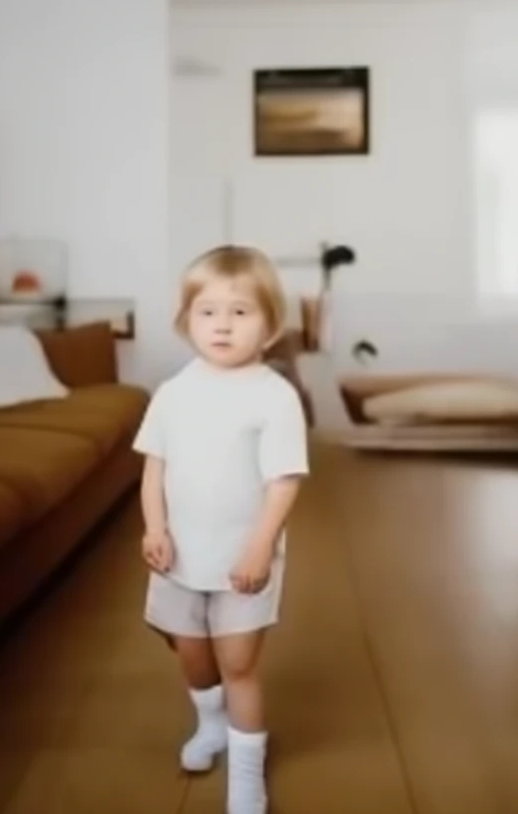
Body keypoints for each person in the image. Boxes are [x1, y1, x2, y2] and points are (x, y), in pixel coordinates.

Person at [134, 244, 310, 814]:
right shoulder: (173, 393)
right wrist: (154, 528)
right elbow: (154, 467)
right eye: (208, 311)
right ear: (186, 321)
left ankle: (246, 777)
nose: (223, 325)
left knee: (238, 664)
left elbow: (283, 482)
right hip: (179, 556)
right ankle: (210, 724)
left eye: (240, 312)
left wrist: (260, 549)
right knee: (191, 654)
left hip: (242, 561)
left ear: (270, 325)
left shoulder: (275, 397)